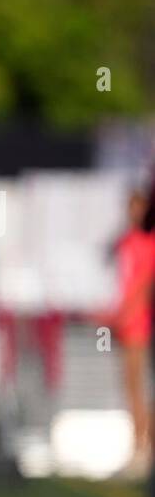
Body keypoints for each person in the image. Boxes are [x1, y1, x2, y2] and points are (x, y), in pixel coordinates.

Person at [104, 189, 155, 480]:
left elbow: (144, 285)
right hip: (125, 320)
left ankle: (142, 447)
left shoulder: (148, 241)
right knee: (130, 385)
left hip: (138, 322)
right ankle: (138, 444)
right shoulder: (127, 240)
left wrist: (128, 312)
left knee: (138, 385)